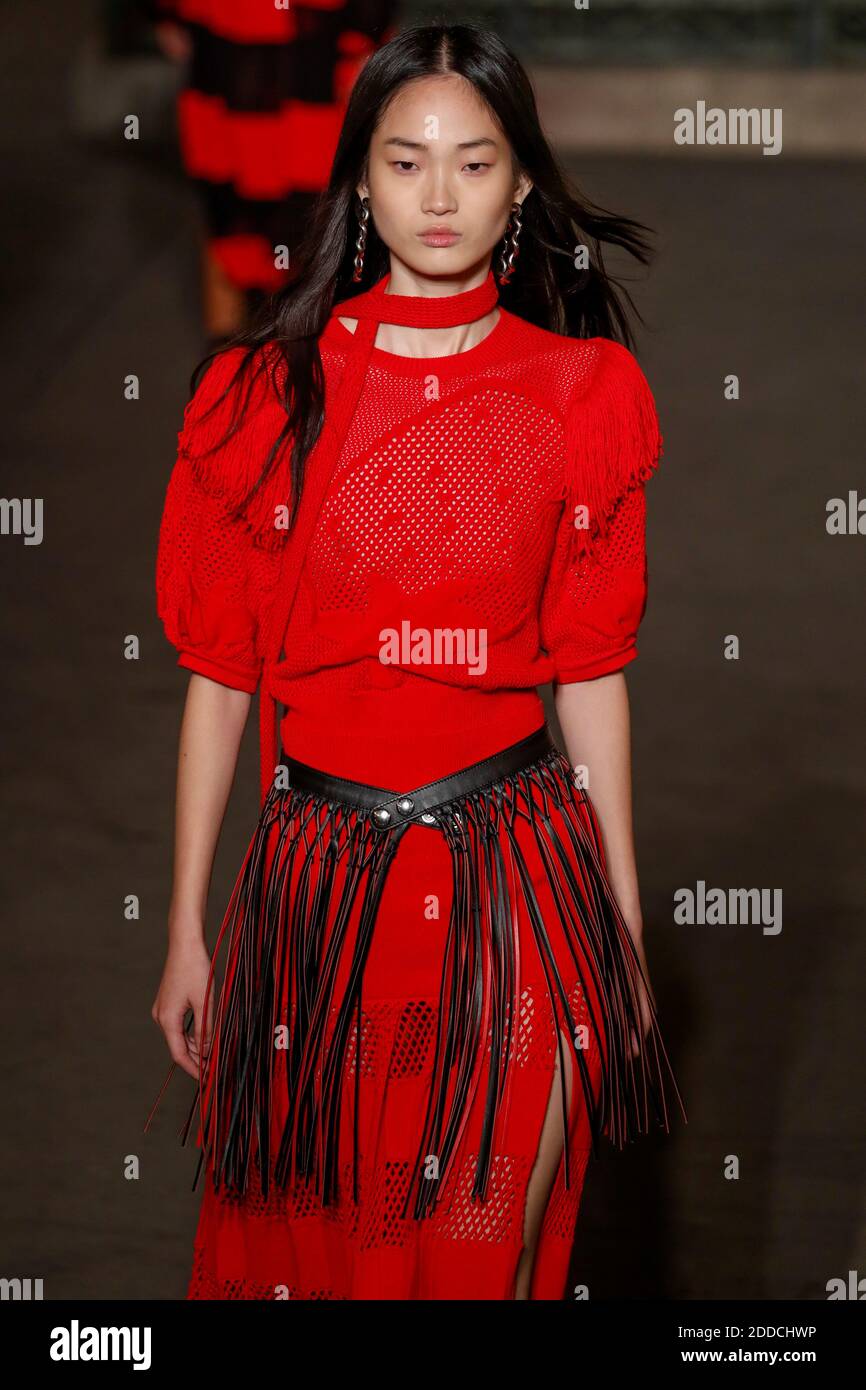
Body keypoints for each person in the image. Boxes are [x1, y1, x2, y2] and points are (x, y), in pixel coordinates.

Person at [146, 21, 687, 1301]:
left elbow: (590, 673)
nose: (436, 196)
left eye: (473, 163)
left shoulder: (581, 394)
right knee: (330, 1265)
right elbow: (221, 678)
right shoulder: (263, 397)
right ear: (361, 183)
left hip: (516, 903)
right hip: (319, 915)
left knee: (476, 1261)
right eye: (403, 162)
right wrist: (183, 932)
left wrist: (619, 928)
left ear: (517, 189)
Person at [142, 0, 396, 343]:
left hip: (314, 43)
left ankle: (312, 353)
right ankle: (235, 368)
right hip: (234, 33)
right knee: (232, 199)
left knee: (319, 208)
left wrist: (370, 34)